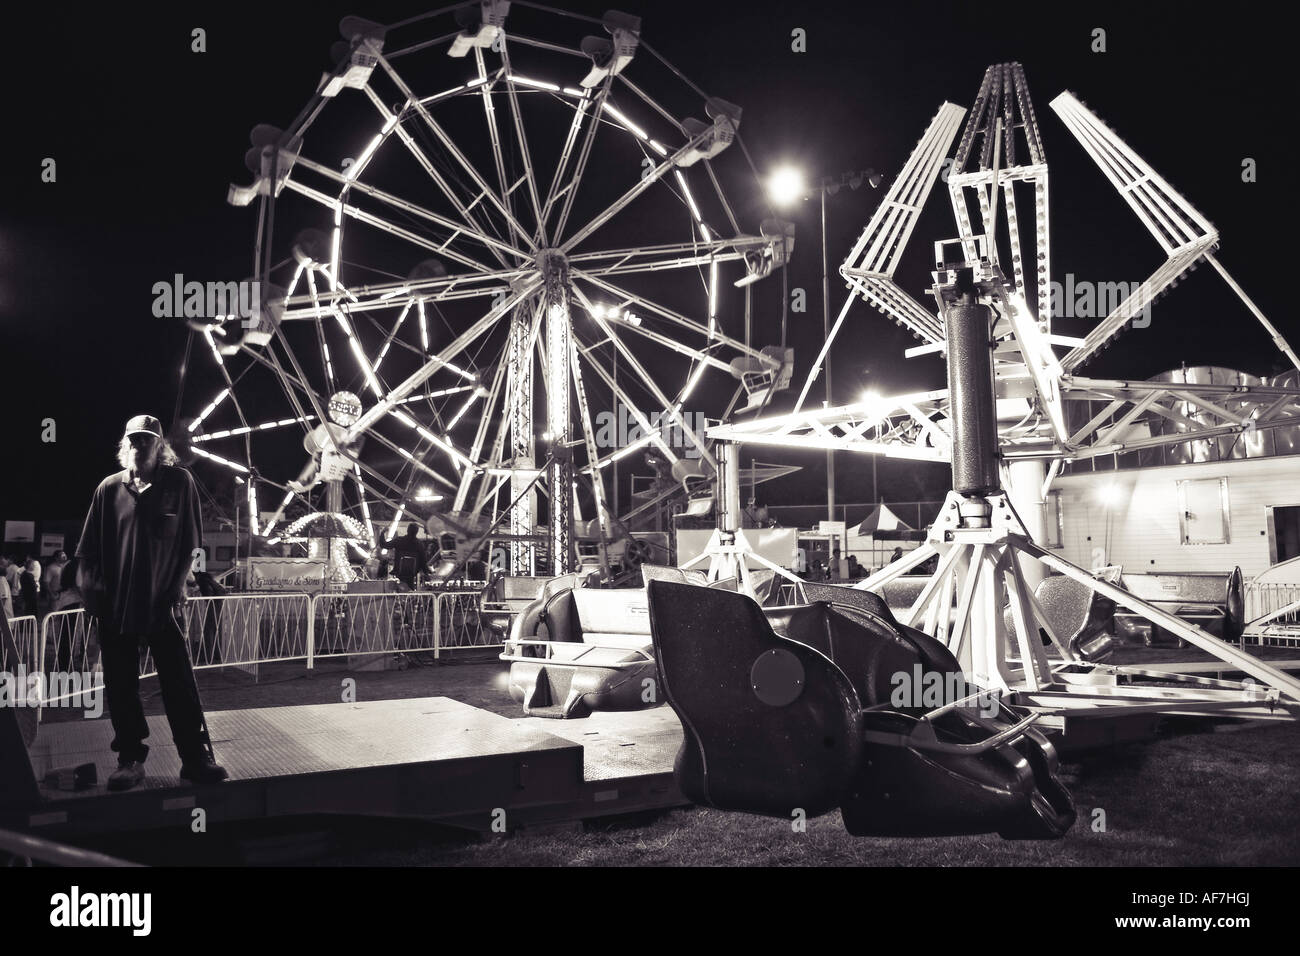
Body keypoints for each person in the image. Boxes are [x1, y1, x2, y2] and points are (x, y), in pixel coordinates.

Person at [76, 414, 227, 791]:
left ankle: (195, 758)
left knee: (179, 683)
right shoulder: (108, 489)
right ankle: (129, 760)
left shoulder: (180, 482)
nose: (141, 445)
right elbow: (88, 551)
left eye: (148, 440)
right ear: (126, 445)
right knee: (121, 685)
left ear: (161, 446)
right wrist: (92, 595)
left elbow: (191, 545)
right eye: (135, 440)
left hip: (163, 603)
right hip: (116, 606)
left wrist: (177, 587)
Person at [390, 523, 430, 590]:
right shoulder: (419, 544)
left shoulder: (399, 540)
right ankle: (408, 597)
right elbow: (423, 560)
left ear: (407, 530)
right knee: (409, 589)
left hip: (399, 570)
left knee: (400, 588)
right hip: (412, 571)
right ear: (416, 532)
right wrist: (426, 572)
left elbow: (384, 545)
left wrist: (382, 533)